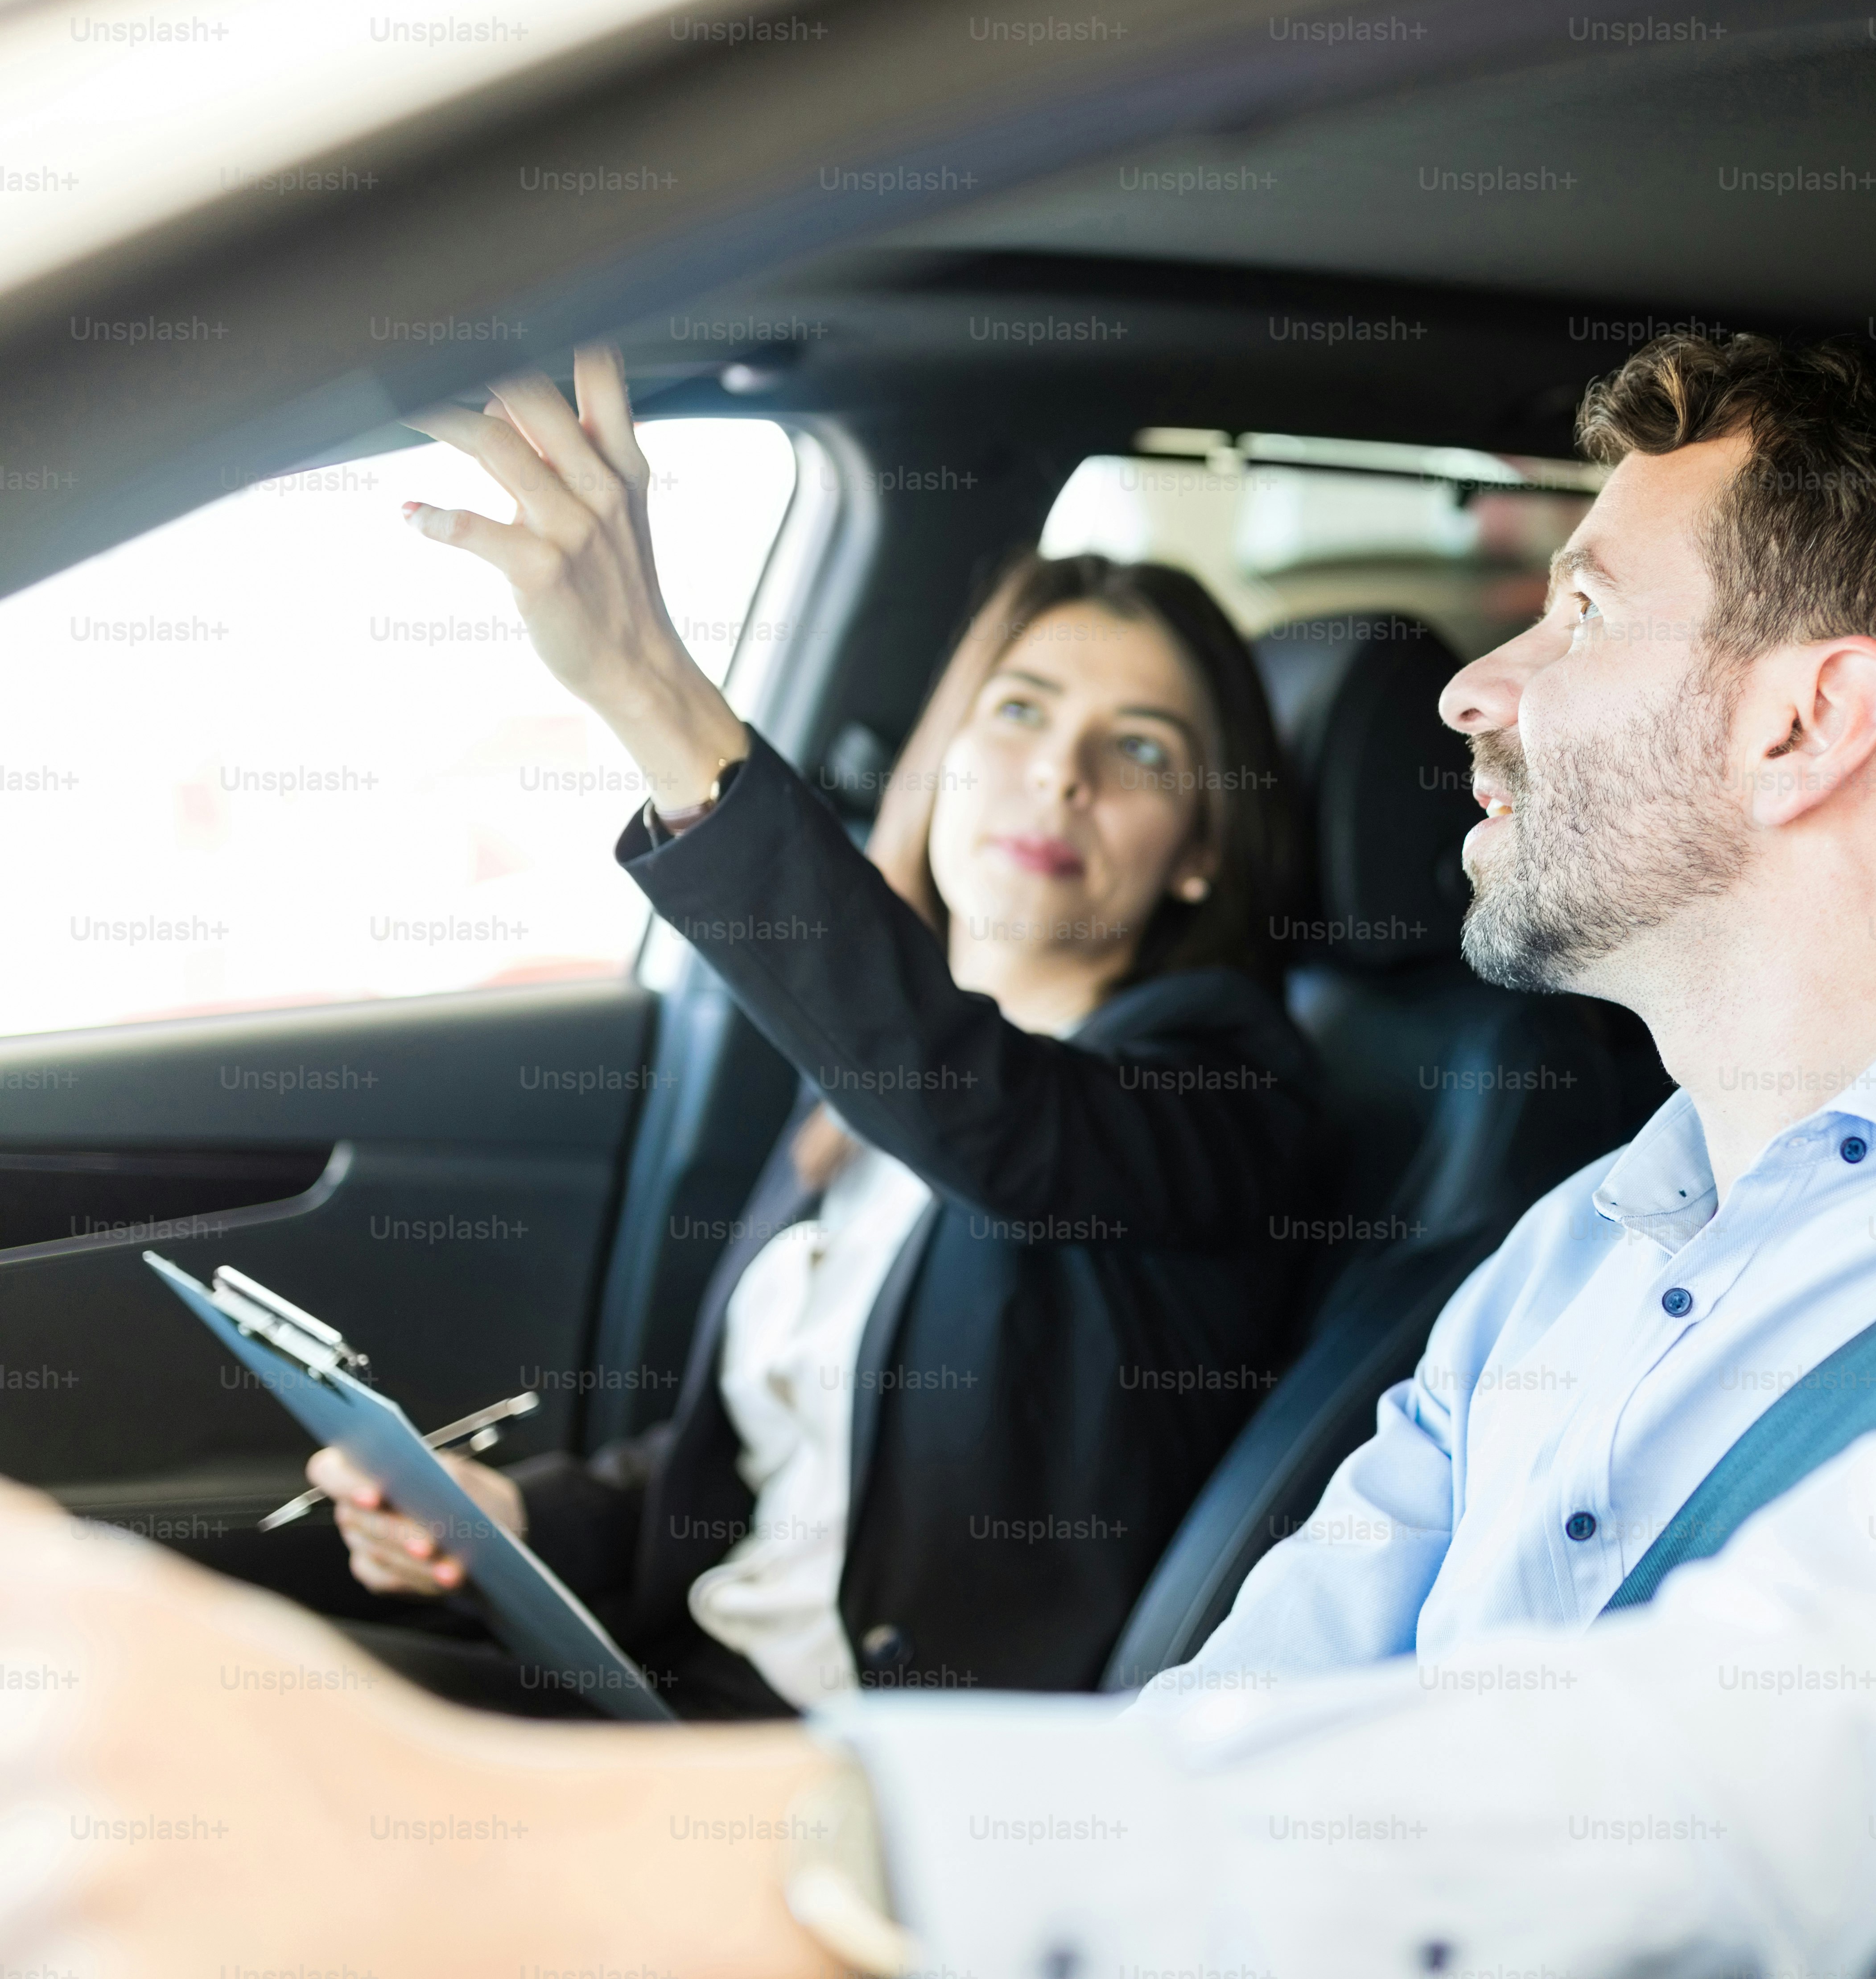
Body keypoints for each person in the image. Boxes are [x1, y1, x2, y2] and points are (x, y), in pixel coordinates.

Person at [0, 333, 1876, 1979]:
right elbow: (1237, 1723)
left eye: (1579, 604)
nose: (1468, 676)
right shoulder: (1580, 1253)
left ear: (1813, 721)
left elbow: (1788, 1767)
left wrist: (663, 1864)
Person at [308, 395, 1323, 1715]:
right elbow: (783, 1473)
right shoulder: (865, 1083)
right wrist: (507, 1517)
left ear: (1202, 851)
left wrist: (643, 680)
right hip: (684, 1683)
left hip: (864, 1776)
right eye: (1019, 712)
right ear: (942, 763)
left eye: (1141, 751)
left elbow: (1000, 1122)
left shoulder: (1229, 1094)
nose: (1059, 773)